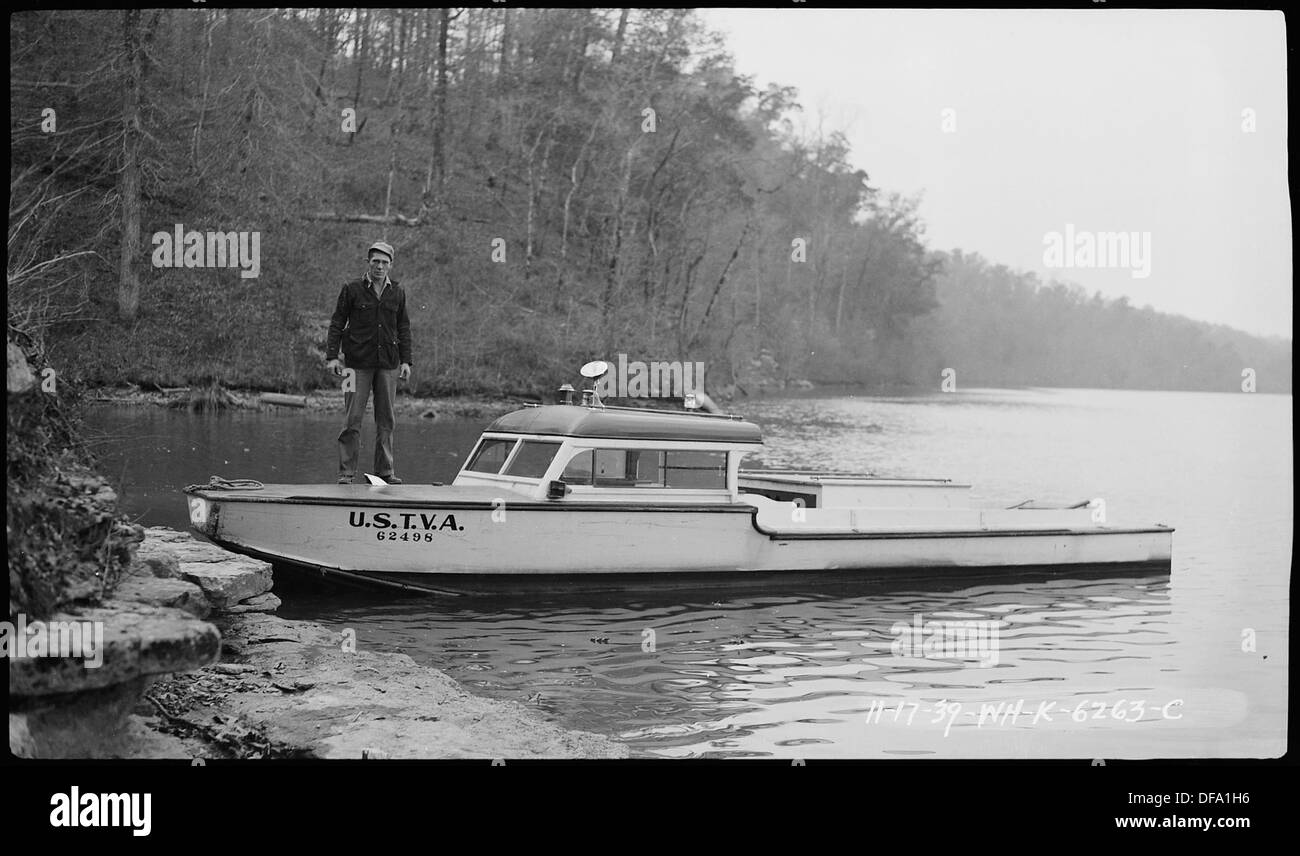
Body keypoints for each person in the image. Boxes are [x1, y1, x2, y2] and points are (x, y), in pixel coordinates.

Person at [325, 240, 412, 484]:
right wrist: (332, 356)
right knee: (351, 419)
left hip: (389, 365)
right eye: (376, 261)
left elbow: (403, 327)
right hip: (354, 365)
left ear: (391, 265)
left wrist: (407, 361)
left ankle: (385, 472)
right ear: (368, 262)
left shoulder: (398, 291)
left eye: (385, 262)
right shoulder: (351, 288)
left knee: (386, 420)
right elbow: (336, 322)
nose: (380, 266)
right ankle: (346, 473)